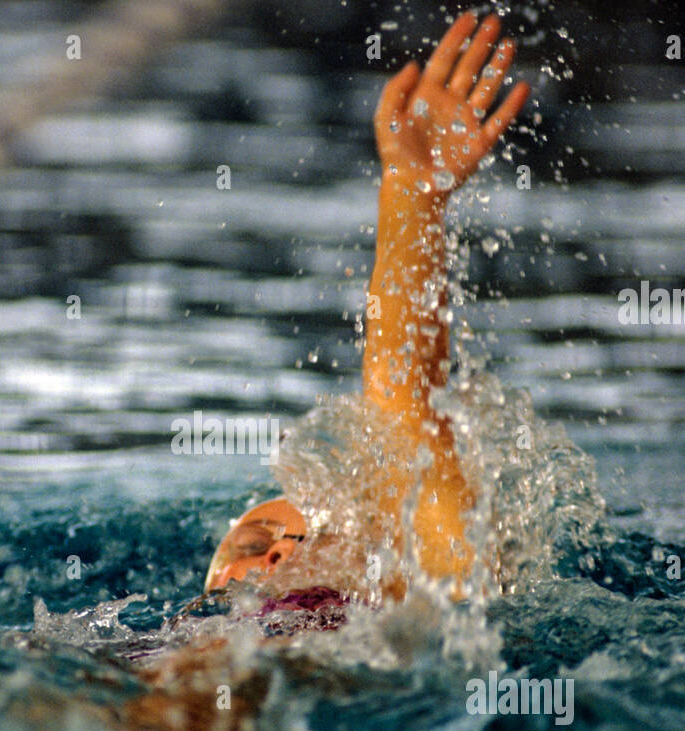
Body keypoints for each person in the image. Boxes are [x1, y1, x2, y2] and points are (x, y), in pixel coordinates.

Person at [204, 10, 530, 603]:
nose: (276, 552)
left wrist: (413, 192)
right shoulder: (175, 639)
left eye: (318, 537)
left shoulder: (418, 596)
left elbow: (402, 397)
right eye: (251, 547)